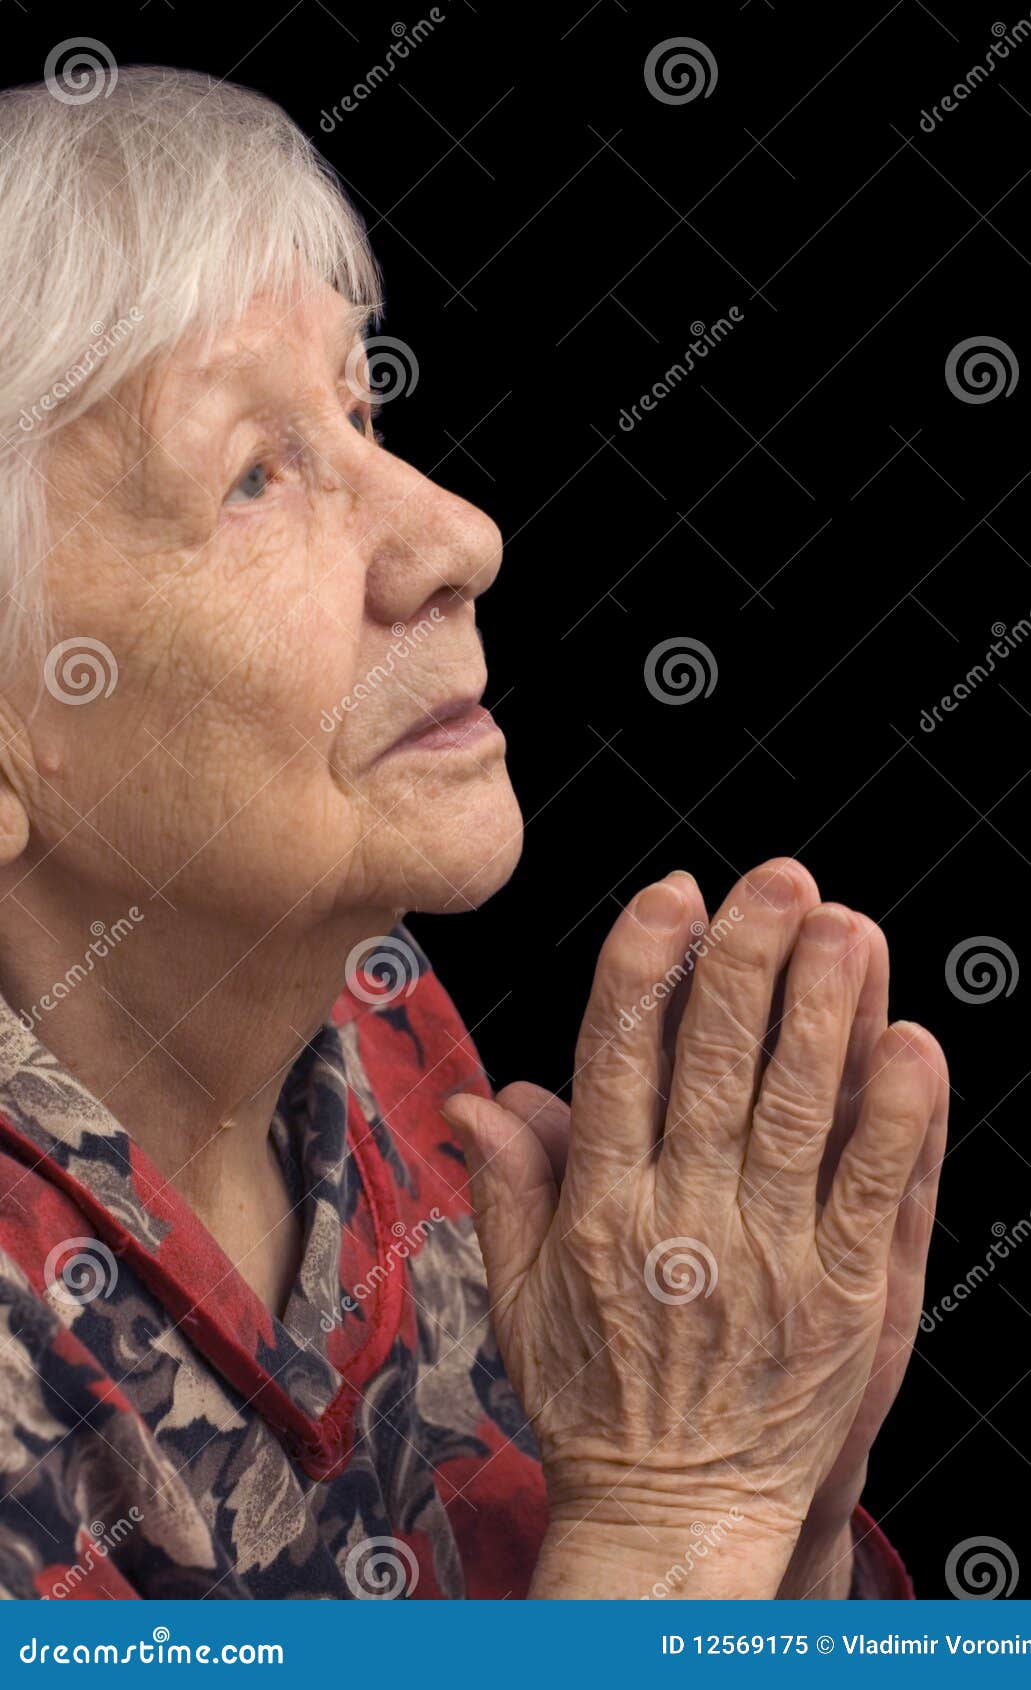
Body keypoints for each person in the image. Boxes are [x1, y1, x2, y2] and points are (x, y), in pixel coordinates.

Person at [0, 65, 945, 1600]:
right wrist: (674, 1506)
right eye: (253, 475)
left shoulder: (364, 1004)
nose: (458, 536)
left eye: (363, 412)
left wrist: (789, 1538)